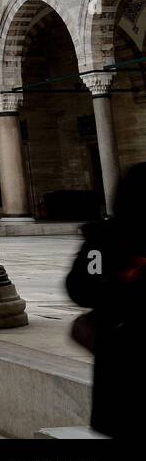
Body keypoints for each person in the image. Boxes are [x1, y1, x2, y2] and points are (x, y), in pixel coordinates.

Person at [66, 162, 146, 437]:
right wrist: (123, 279)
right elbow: (80, 288)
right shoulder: (106, 239)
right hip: (124, 357)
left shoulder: (103, 238)